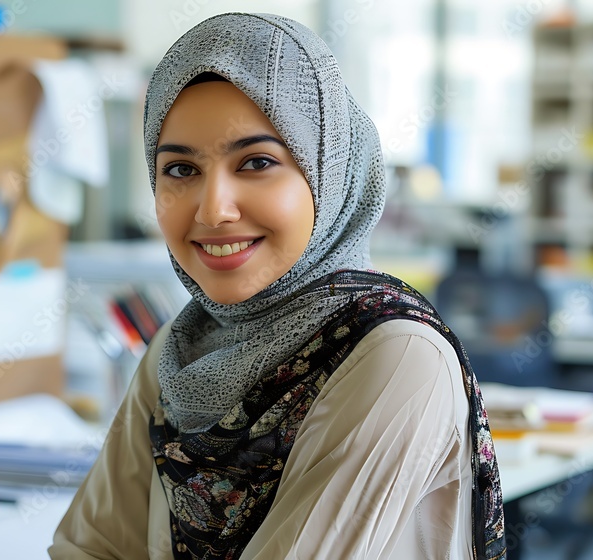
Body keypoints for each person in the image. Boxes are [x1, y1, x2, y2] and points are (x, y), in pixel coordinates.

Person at [50, 12, 505, 560]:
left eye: (257, 162)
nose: (214, 209)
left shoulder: (395, 356)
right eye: (180, 170)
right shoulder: (183, 349)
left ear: (329, 173)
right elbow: (89, 548)